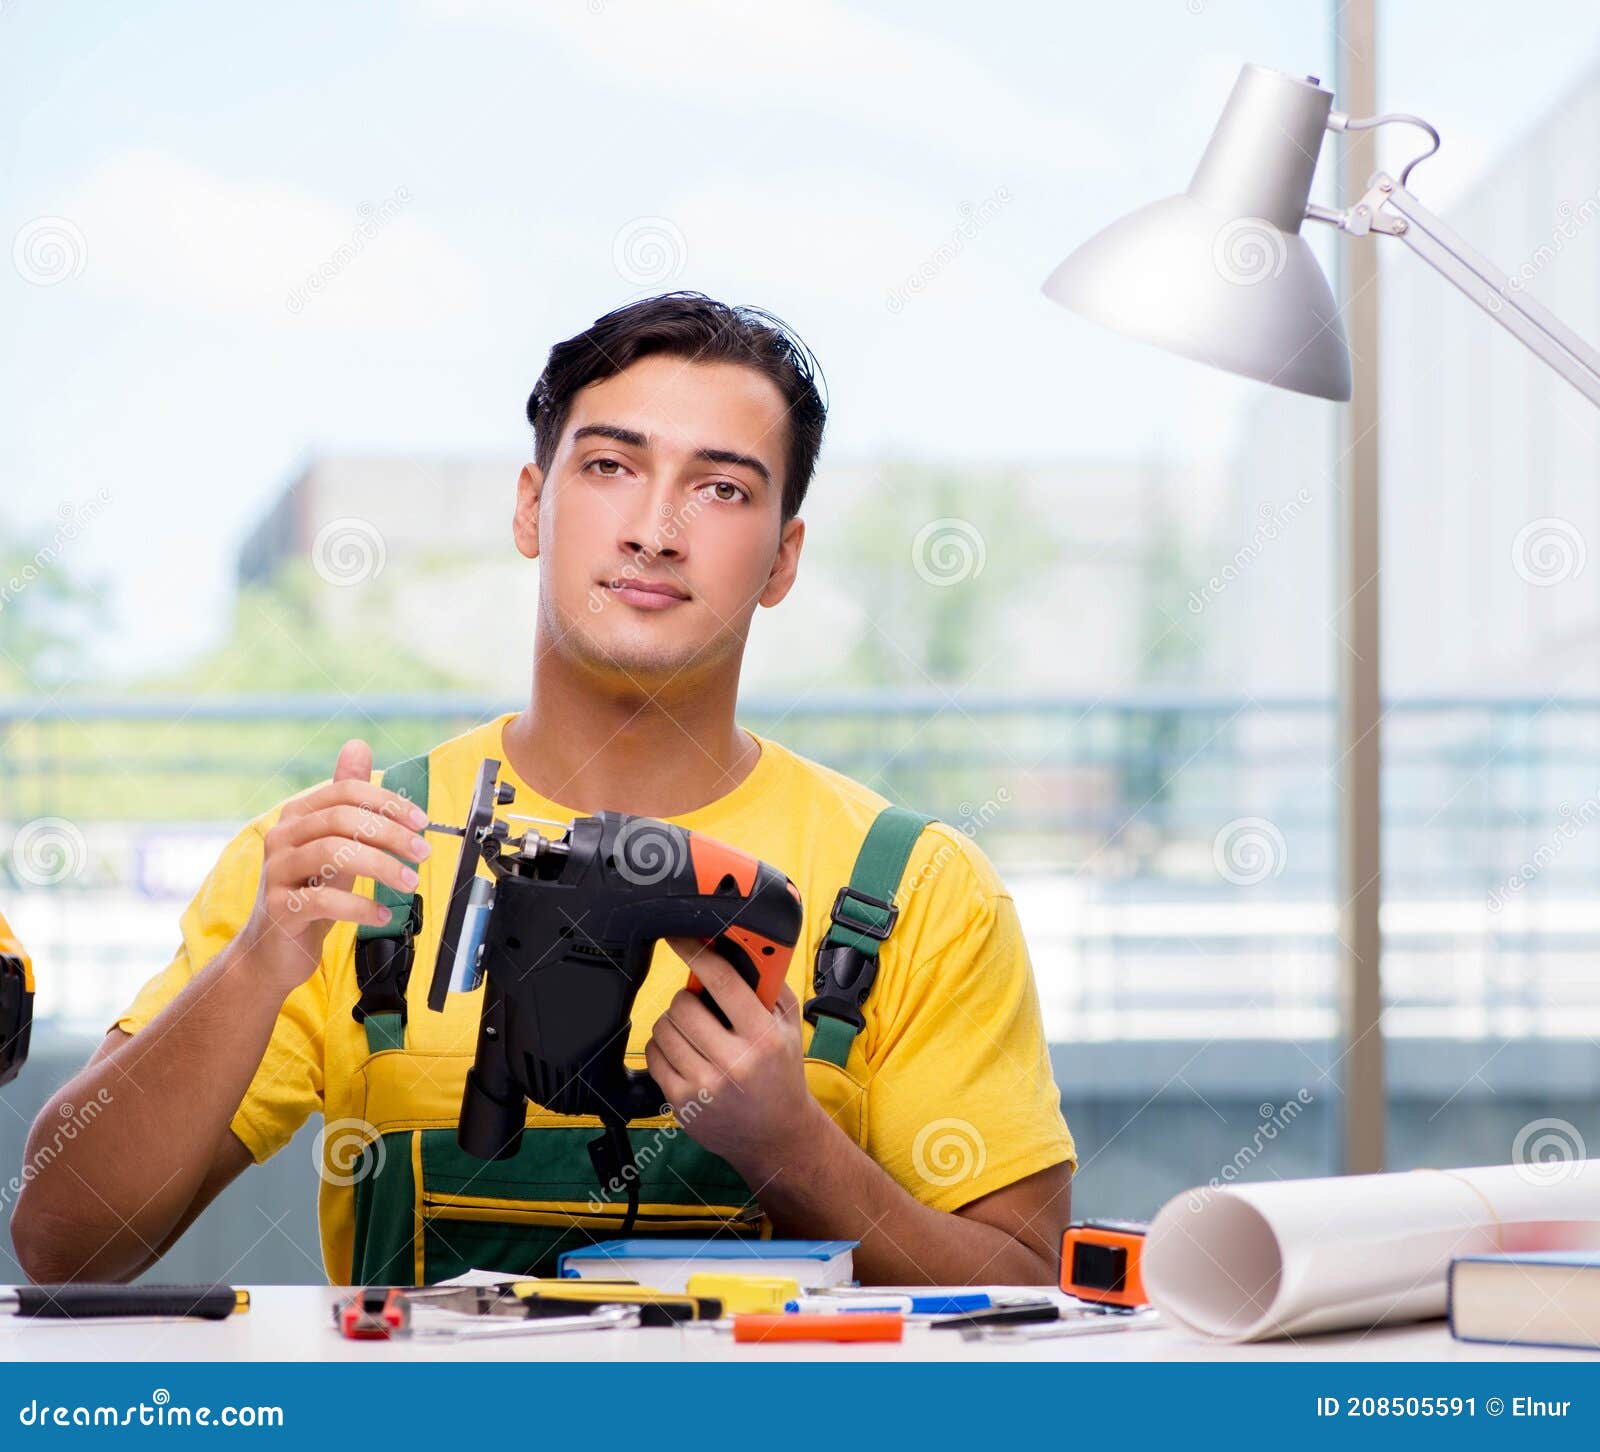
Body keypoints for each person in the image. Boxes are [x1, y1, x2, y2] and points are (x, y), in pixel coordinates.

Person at [13, 292, 1076, 1287]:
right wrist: (258, 964)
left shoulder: (915, 891)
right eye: (611, 465)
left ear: (783, 559)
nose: (655, 529)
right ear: (532, 506)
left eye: (721, 487)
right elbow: (65, 1244)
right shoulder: (345, 859)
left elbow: (1035, 1295)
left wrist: (791, 1146)